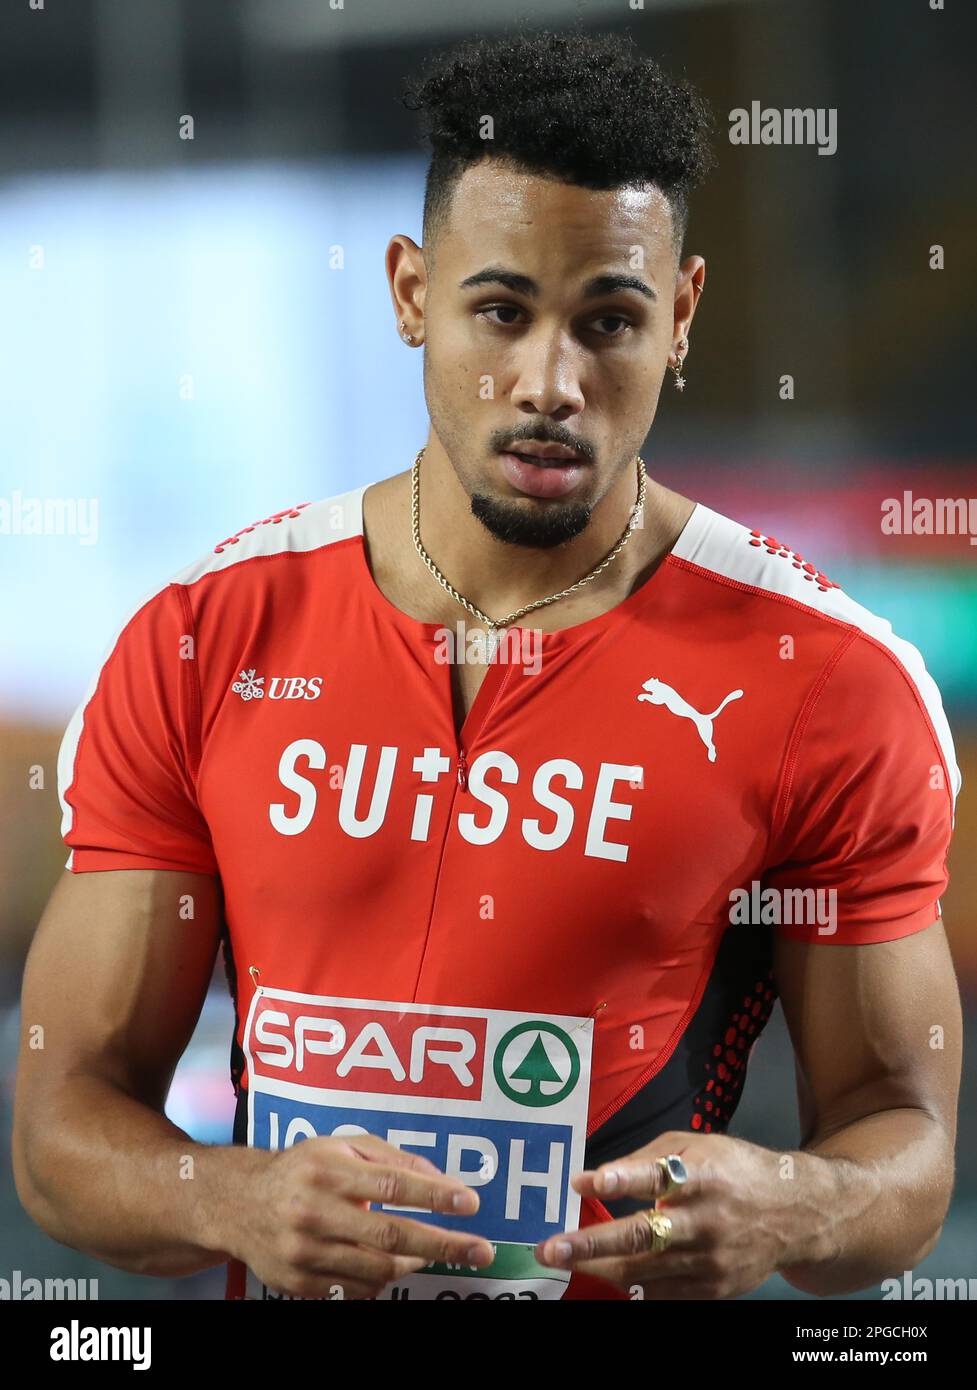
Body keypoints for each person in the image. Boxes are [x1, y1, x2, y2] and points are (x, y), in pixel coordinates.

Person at [14, 30, 961, 1303]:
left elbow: (900, 1151)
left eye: (608, 321)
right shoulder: (203, 639)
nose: (549, 383)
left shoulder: (829, 682)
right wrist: (231, 1194)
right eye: (500, 310)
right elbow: (63, 1126)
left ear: (679, 314)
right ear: (410, 292)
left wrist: (790, 1203)